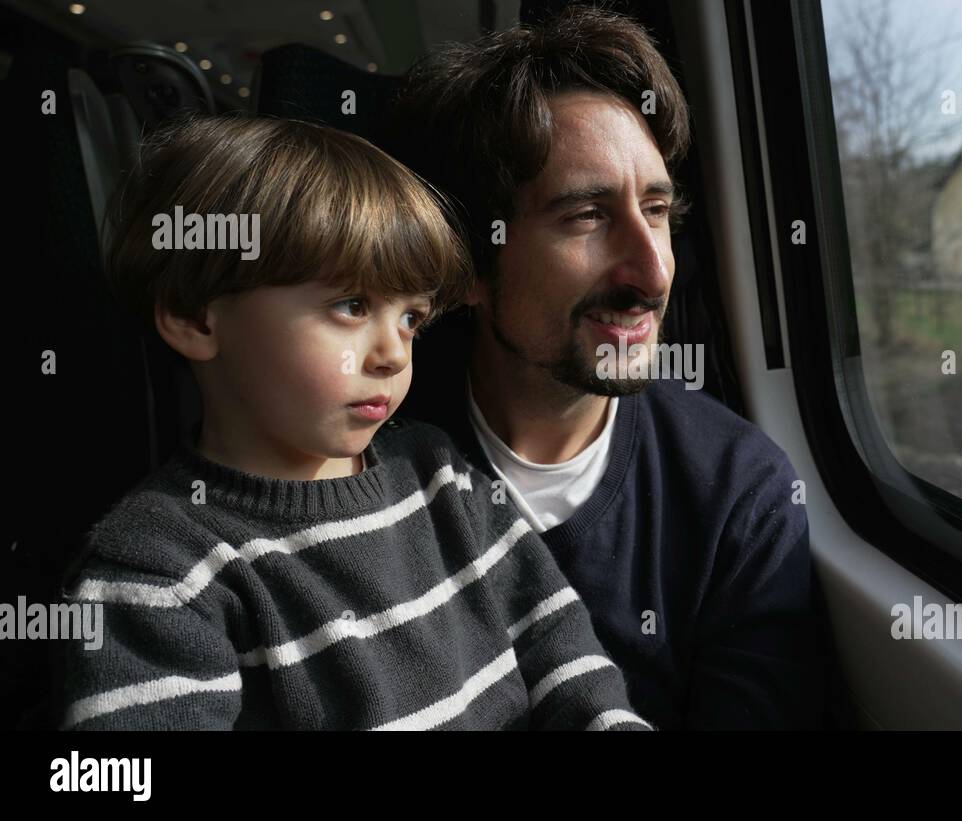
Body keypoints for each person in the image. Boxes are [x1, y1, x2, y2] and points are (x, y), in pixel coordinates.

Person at [55, 115, 650, 731]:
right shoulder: (161, 568)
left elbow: (557, 642)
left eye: (411, 319)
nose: (393, 353)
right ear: (196, 317)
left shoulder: (436, 474)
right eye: (352, 306)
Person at [389, 4, 833, 729]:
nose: (654, 270)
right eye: (587, 216)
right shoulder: (361, 464)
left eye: (656, 210)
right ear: (467, 263)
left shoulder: (737, 492)